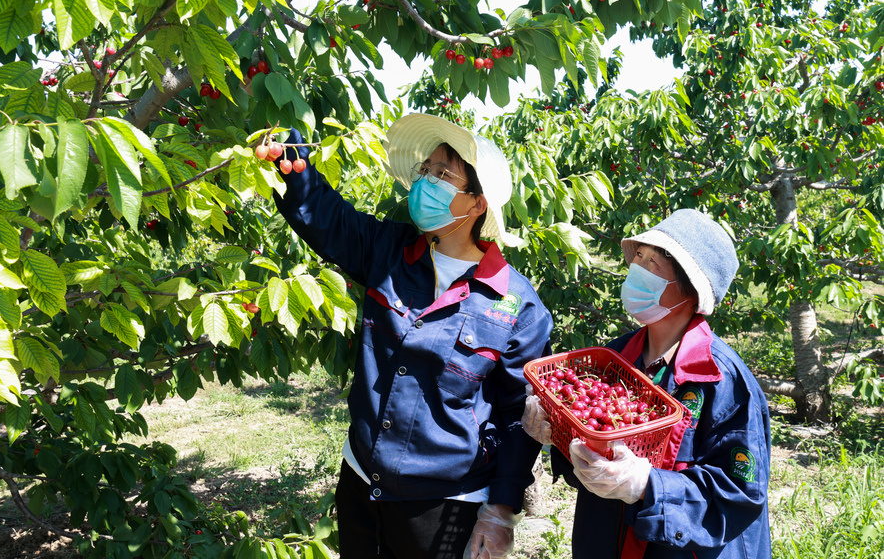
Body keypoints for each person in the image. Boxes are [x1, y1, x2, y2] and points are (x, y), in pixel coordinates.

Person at [272, 114, 553, 559]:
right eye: (426, 170)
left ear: (477, 204)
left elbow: (518, 417)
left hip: (444, 503)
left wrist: (500, 512)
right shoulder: (389, 249)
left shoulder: (518, 306)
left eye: (444, 174)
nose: (427, 181)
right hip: (361, 477)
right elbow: (331, 219)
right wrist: (291, 161)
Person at [522, 208, 771, 559]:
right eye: (639, 256)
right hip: (606, 542)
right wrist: (558, 436)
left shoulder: (721, 379)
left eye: (656, 262)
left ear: (691, 288)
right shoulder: (613, 359)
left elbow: (739, 493)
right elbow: (591, 460)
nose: (639, 268)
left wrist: (648, 484)